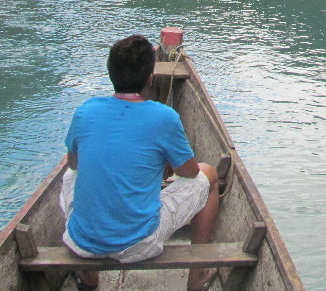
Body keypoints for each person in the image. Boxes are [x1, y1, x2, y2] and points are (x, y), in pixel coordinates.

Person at [60, 34, 220, 291]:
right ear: (150, 79)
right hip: (139, 244)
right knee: (208, 175)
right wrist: (165, 161)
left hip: (82, 242)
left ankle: (88, 275)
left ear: (111, 74)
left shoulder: (85, 111)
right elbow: (190, 173)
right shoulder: (164, 117)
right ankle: (198, 273)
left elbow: (74, 163)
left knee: (69, 175)